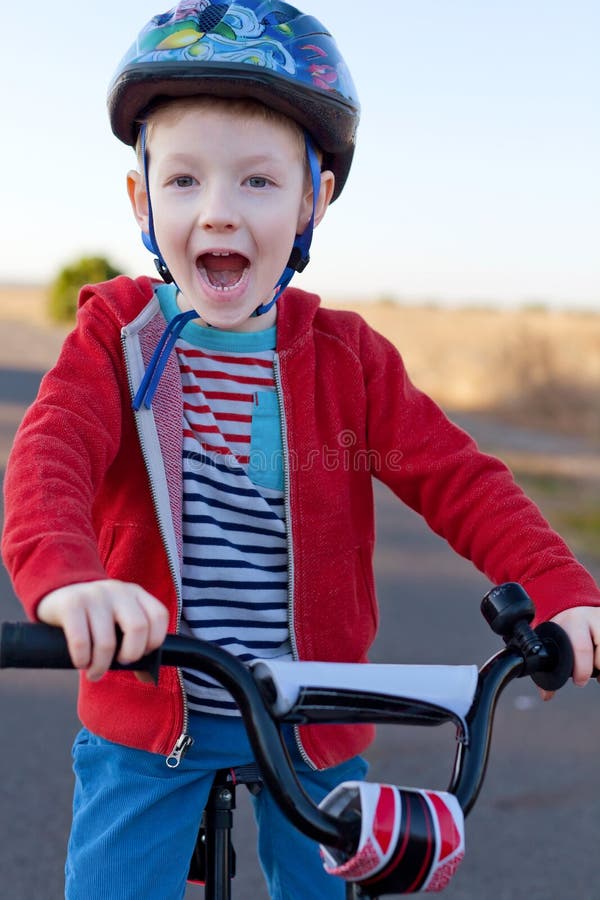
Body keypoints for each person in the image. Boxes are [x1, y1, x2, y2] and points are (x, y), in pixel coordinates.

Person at [2, 2, 600, 898]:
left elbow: (458, 478)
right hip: (151, 713)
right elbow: (51, 457)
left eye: (257, 182)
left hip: (311, 716)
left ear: (314, 198)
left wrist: (554, 586)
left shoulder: (347, 359)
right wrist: (70, 575)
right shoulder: (116, 338)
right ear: (141, 198)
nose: (217, 214)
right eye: (184, 181)